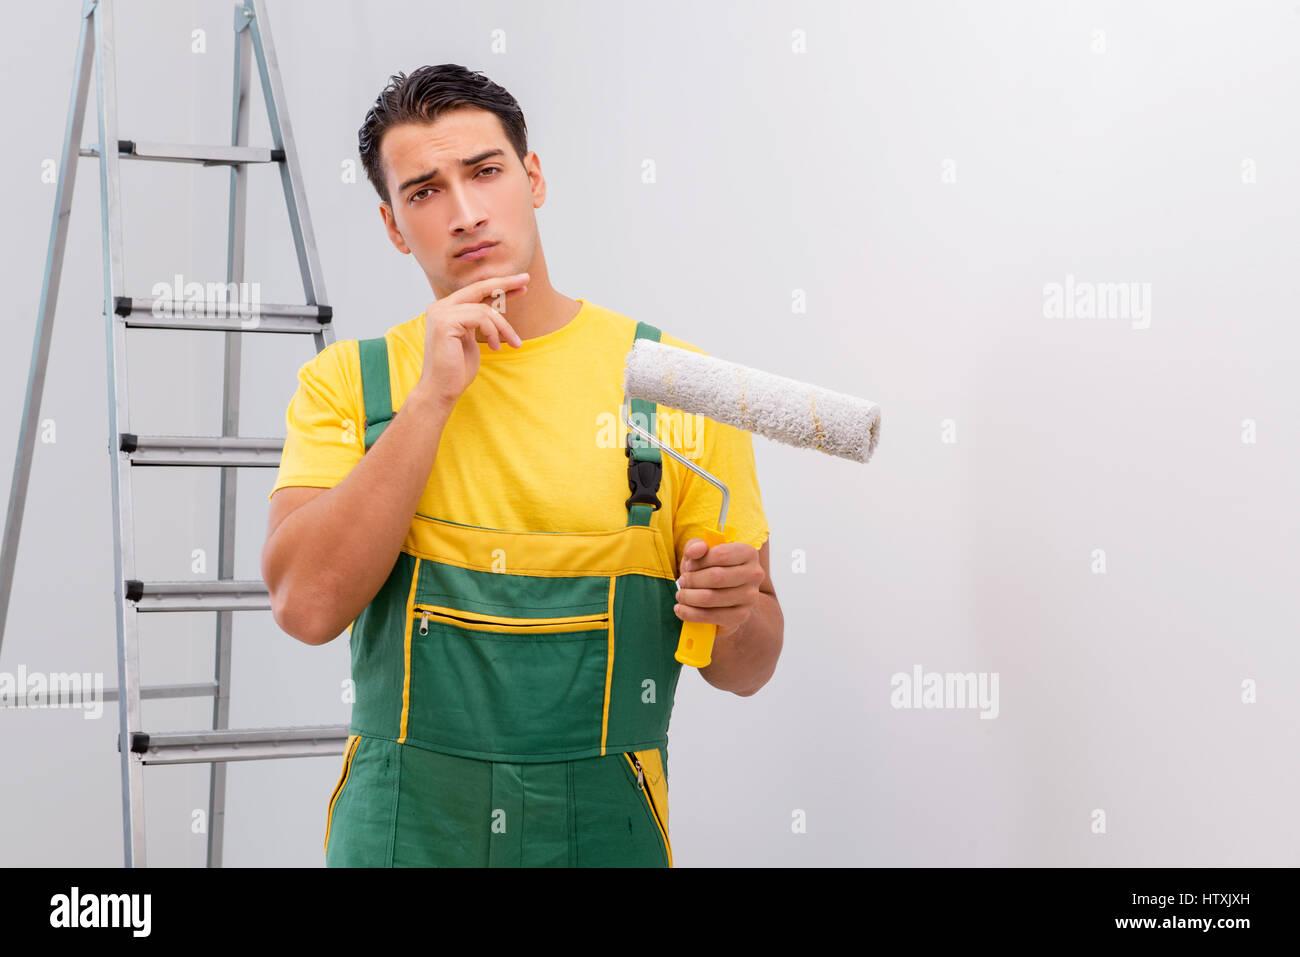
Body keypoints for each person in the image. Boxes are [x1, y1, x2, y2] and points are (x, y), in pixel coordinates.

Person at [259, 64, 783, 867]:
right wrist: (431, 399)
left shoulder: (677, 384)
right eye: (425, 191)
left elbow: (748, 668)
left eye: (485, 172)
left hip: (606, 833)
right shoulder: (348, 385)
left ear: (532, 178)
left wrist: (734, 611)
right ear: (394, 225)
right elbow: (306, 607)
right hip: (404, 830)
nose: (465, 212)